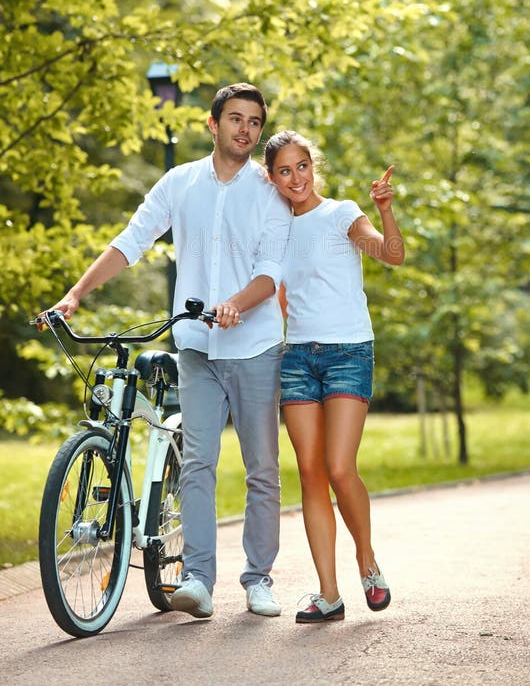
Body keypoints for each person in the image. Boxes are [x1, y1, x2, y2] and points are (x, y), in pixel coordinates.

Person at [42, 84, 292, 620]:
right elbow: (132, 241)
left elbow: (272, 273)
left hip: (255, 347)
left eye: (253, 121)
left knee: (262, 469)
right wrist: (77, 292)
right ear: (213, 124)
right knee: (197, 461)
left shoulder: (270, 191)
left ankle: (259, 578)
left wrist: (235, 304)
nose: (245, 130)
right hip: (198, 347)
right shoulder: (180, 183)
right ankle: (199, 578)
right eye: (235, 119)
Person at [263, 130, 405, 623]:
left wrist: (384, 210)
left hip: (349, 351)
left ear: (312, 165)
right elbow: (279, 291)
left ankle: (366, 559)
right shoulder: (277, 230)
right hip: (298, 356)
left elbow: (391, 254)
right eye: (284, 171)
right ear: (273, 179)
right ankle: (329, 593)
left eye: (301, 166)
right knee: (310, 473)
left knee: (341, 468)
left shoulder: (342, 212)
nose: (295, 177)